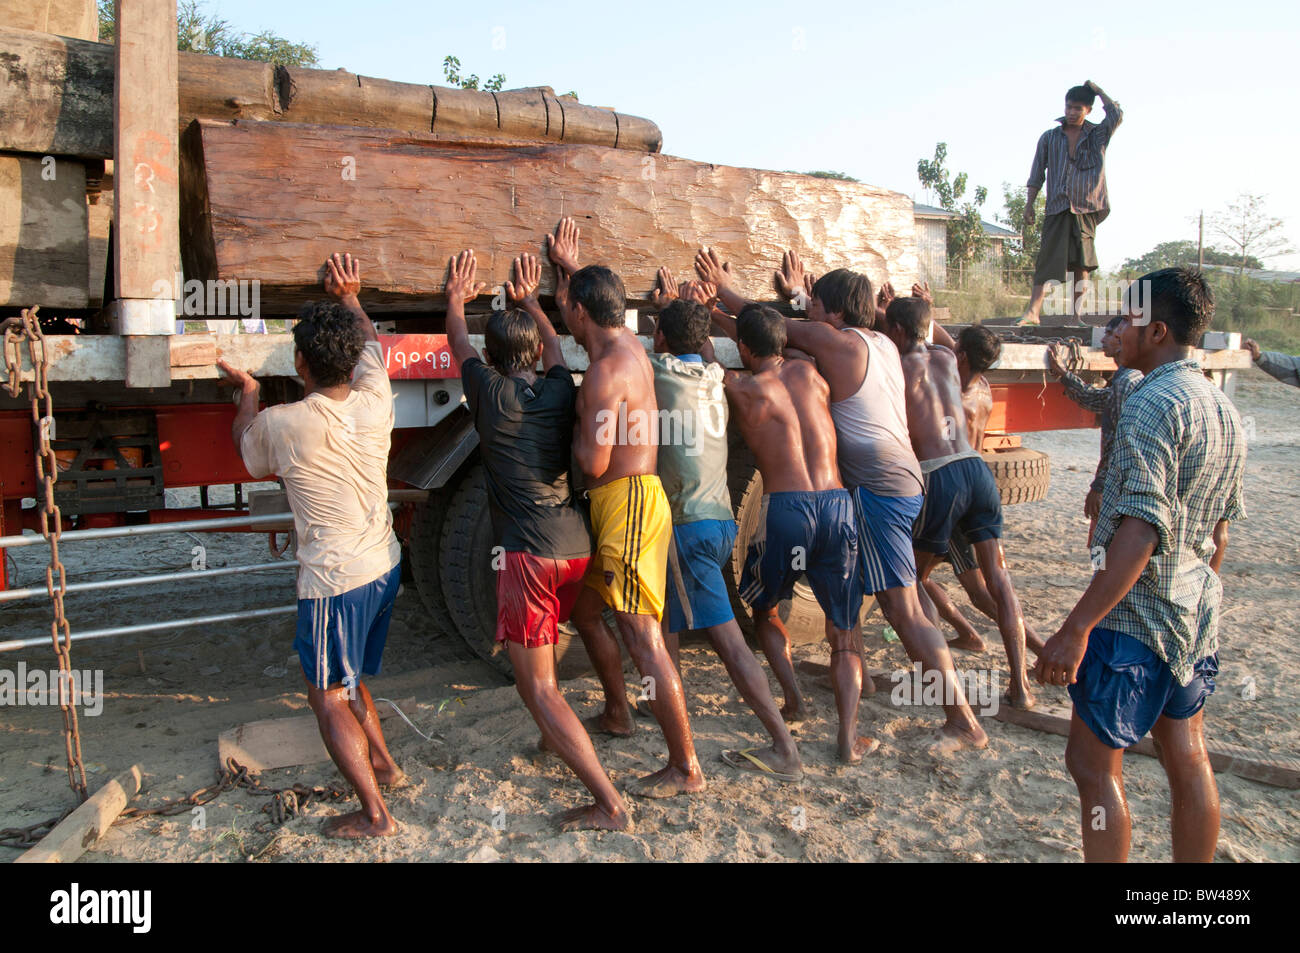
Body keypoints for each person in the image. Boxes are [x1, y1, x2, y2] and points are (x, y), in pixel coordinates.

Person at [698, 248, 988, 755]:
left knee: (905, 612)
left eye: (814, 306)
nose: (807, 312)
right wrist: (791, 296)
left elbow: (770, 328)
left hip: (879, 492)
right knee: (883, 605)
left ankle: (962, 720)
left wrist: (722, 290)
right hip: (896, 484)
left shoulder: (839, 345)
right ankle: (867, 690)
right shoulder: (879, 342)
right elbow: (781, 333)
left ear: (832, 314)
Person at [1035, 268, 1246, 863]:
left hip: (1136, 618)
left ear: (1156, 330)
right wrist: (1193, 594)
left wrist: (1077, 629)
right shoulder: (1221, 408)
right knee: (1187, 752)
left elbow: (1143, 528)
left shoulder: (1152, 403)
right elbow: (1218, 531)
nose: (1116, 328)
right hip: (1195, 612)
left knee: (1092, 764)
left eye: (1126, 318)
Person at [441, 247, 630, 831]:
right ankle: (576, 731)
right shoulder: (558, 388)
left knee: (538, 689)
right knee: (563, 656)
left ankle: (608, 803)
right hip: (576, 550)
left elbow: (459, 345)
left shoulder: (489, 396)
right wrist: (532, 302)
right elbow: (554, 348)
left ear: (495, 359)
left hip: (531, 558)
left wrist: (453, 300)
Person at [218, 253, 402, 838]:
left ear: (300, 362)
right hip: (384, 564)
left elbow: (246, 448)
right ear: (352, 359)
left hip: (334, 579)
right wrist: (350, 297)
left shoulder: (283, 422)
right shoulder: (377, 399)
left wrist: (247, 390)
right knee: (349, 681)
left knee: (325, 696)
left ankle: (375, 814)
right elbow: (371, 339)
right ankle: (385, 765)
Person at [548, 218, 707, 799]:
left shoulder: (602, 373)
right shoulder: (631, 346)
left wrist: (558, 430)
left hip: (626, 505)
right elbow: (599, 305)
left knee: (643, 638)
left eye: (568, 304)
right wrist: (571, 268)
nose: (565, 310)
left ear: (581, 315)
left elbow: (592, 464)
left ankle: (685, 766)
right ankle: (618, 712)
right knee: (589, 615)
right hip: (630, 504)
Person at [646, 273, 803, 781]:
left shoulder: (659, 375)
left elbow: (627, 349)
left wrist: (663, 311)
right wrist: (677, 311)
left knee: (730, 644)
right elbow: (700, 349)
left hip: (687, 527)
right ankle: (662, 704)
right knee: (667, 617)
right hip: (717, 522)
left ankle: (783, 746)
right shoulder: (717, 377)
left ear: (662, 340)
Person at [712, 302, 877, 763]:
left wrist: (703, 314)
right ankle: (848, 738)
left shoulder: (742, 387)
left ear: (743, 348)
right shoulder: (811, 374)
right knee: (844, 632)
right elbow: (774, 342)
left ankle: (794, 699)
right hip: (837, 505)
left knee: (763, 610)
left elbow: (703, 354)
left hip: (787, 510)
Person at [880, 298, 1035, 709]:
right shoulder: (948, 358)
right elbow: (935, 335)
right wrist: (912, 313)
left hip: (939, 475)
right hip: (975, 468)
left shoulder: (895, 365)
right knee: (999, 582)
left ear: (895, 332)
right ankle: (1020, 687)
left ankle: (940, 684)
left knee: (912, 580)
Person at [920, 326, 1048, 659]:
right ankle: (996, 641)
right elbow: (958, 350)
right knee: (990, 586)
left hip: (950, 489)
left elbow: (943, 352)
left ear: (960, 356)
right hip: (979, 482)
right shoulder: (984, 386)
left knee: (917, 578)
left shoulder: (952, 391)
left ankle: (1029, 646)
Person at [1019, 81, 1123, 325]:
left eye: (1078, 108)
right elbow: (1036, 174)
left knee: (1081, 265)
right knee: (1047, 260)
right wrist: (1029, 204)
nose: (1072, 112)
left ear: (1088, 110)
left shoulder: (1097, 134)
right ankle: (1033, 311)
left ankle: (1076, 316)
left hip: (1085, 206)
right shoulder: (1050, 137)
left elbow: (1117, 114)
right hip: (1057, 205)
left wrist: (1097, 90)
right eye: (1069, 107)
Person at [1047, 315, 1143, 544]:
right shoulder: (1131, 378)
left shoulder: (1125, 383)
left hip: (1117, 483)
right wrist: (1064, 374)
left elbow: (1115, 441)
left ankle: (1100, 576)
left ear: (1123, 342)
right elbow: (1095, 399)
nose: (1105, 338)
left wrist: (1098, 487)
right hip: (1130, 482)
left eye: (1111, 334)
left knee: (1101, 542)